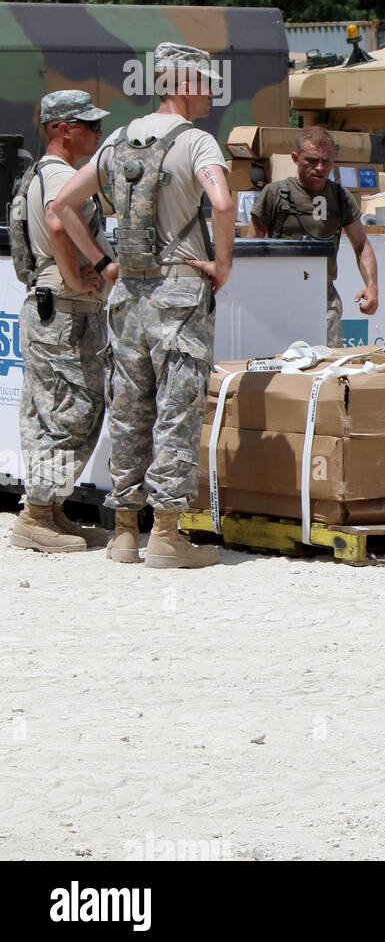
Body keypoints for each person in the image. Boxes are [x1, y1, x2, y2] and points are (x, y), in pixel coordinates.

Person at [51, 42, 235, 569]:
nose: (210, 94)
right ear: (179, 84)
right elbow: (222, 204)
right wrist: (222, 264)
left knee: (128, 412)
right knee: (176, 412)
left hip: (128, 295)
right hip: (179, 294)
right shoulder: (198, 142)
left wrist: (103, 263)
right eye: (203, 83)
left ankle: (125, 534)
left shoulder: (116, 138)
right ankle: (168, 535)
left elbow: (64, 206)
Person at [8, 91, 111, 554]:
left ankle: (49, 512)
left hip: (50, 307)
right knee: (75, 414)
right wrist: (79, 272)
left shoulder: (40, 173)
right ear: (61, 129)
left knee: (48, 414)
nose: (98, 132)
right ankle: (36, 513)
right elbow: (56, 220)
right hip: (65, 312)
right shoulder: (60, 176)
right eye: (89, 125)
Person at [248, 127, 378, 347]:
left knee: (328, 369)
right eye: (312, 160)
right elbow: (252, 246)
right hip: (280, 295)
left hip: (323, 297)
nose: (320, 168)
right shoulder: (275, 193)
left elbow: (361, 244)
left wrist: (372, 286)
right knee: (280, 367)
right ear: (295, 158)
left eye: (326, 162)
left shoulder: (340, 197)